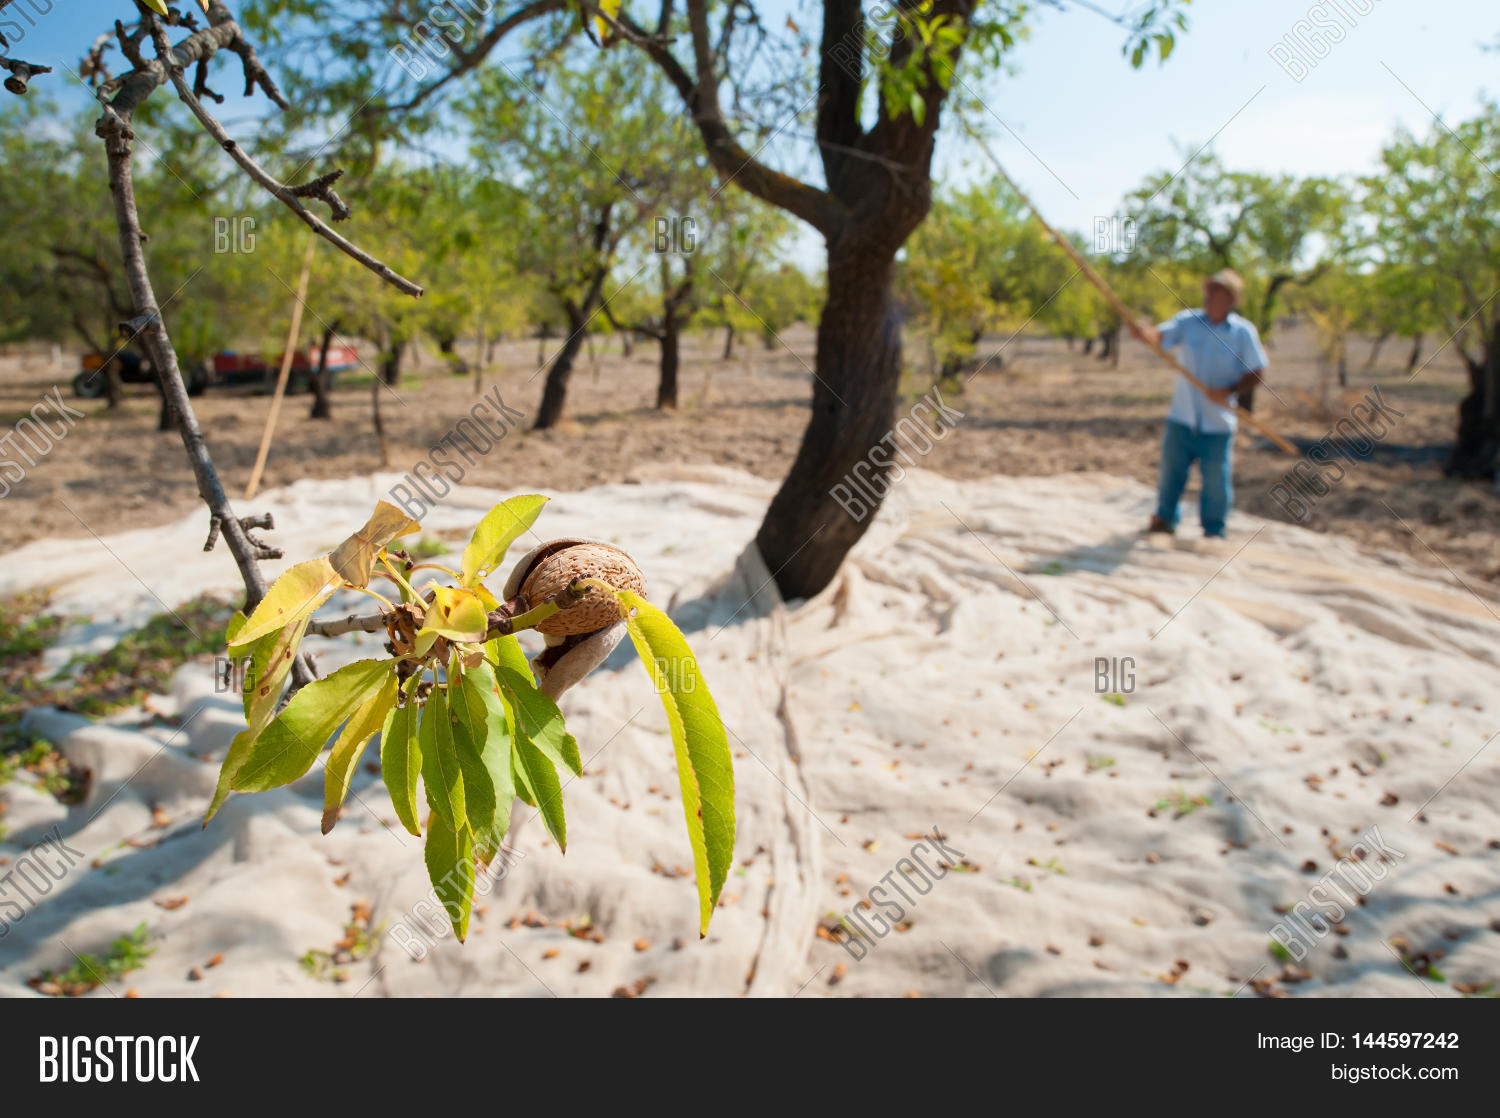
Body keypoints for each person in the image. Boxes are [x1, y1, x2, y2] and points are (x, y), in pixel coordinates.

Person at [1129, 268, 1268, 539]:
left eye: (1217, 292)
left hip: (1217, 421)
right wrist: (1146, 334)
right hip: (1182, 416)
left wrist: (1228, 390)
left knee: (1216, 481)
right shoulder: (1188, 321)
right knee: (1171, 473)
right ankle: (1165, 520)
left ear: (1230, 298)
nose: (1209, 297)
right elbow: (1161, 336)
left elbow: (1257, 373)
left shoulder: (1242, 333)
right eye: (1209, 291)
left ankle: (1214, 531)